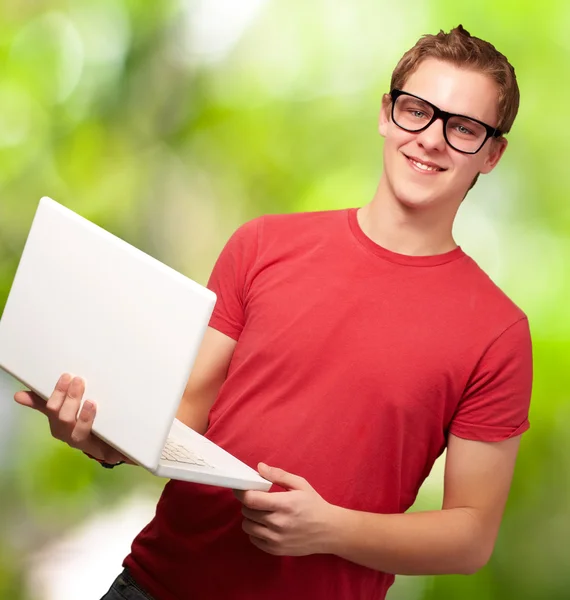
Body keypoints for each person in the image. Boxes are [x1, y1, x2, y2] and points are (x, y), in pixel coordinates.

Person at [15, 24, 533, 600]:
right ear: (387, 113)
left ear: (492, 152)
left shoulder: (498, 332)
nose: (431, 139)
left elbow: (470, 536)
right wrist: (102, 438)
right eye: (417, 110)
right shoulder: (262, 244)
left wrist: (331, 529)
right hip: (153, 587)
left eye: (463, 128)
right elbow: (189, 414)